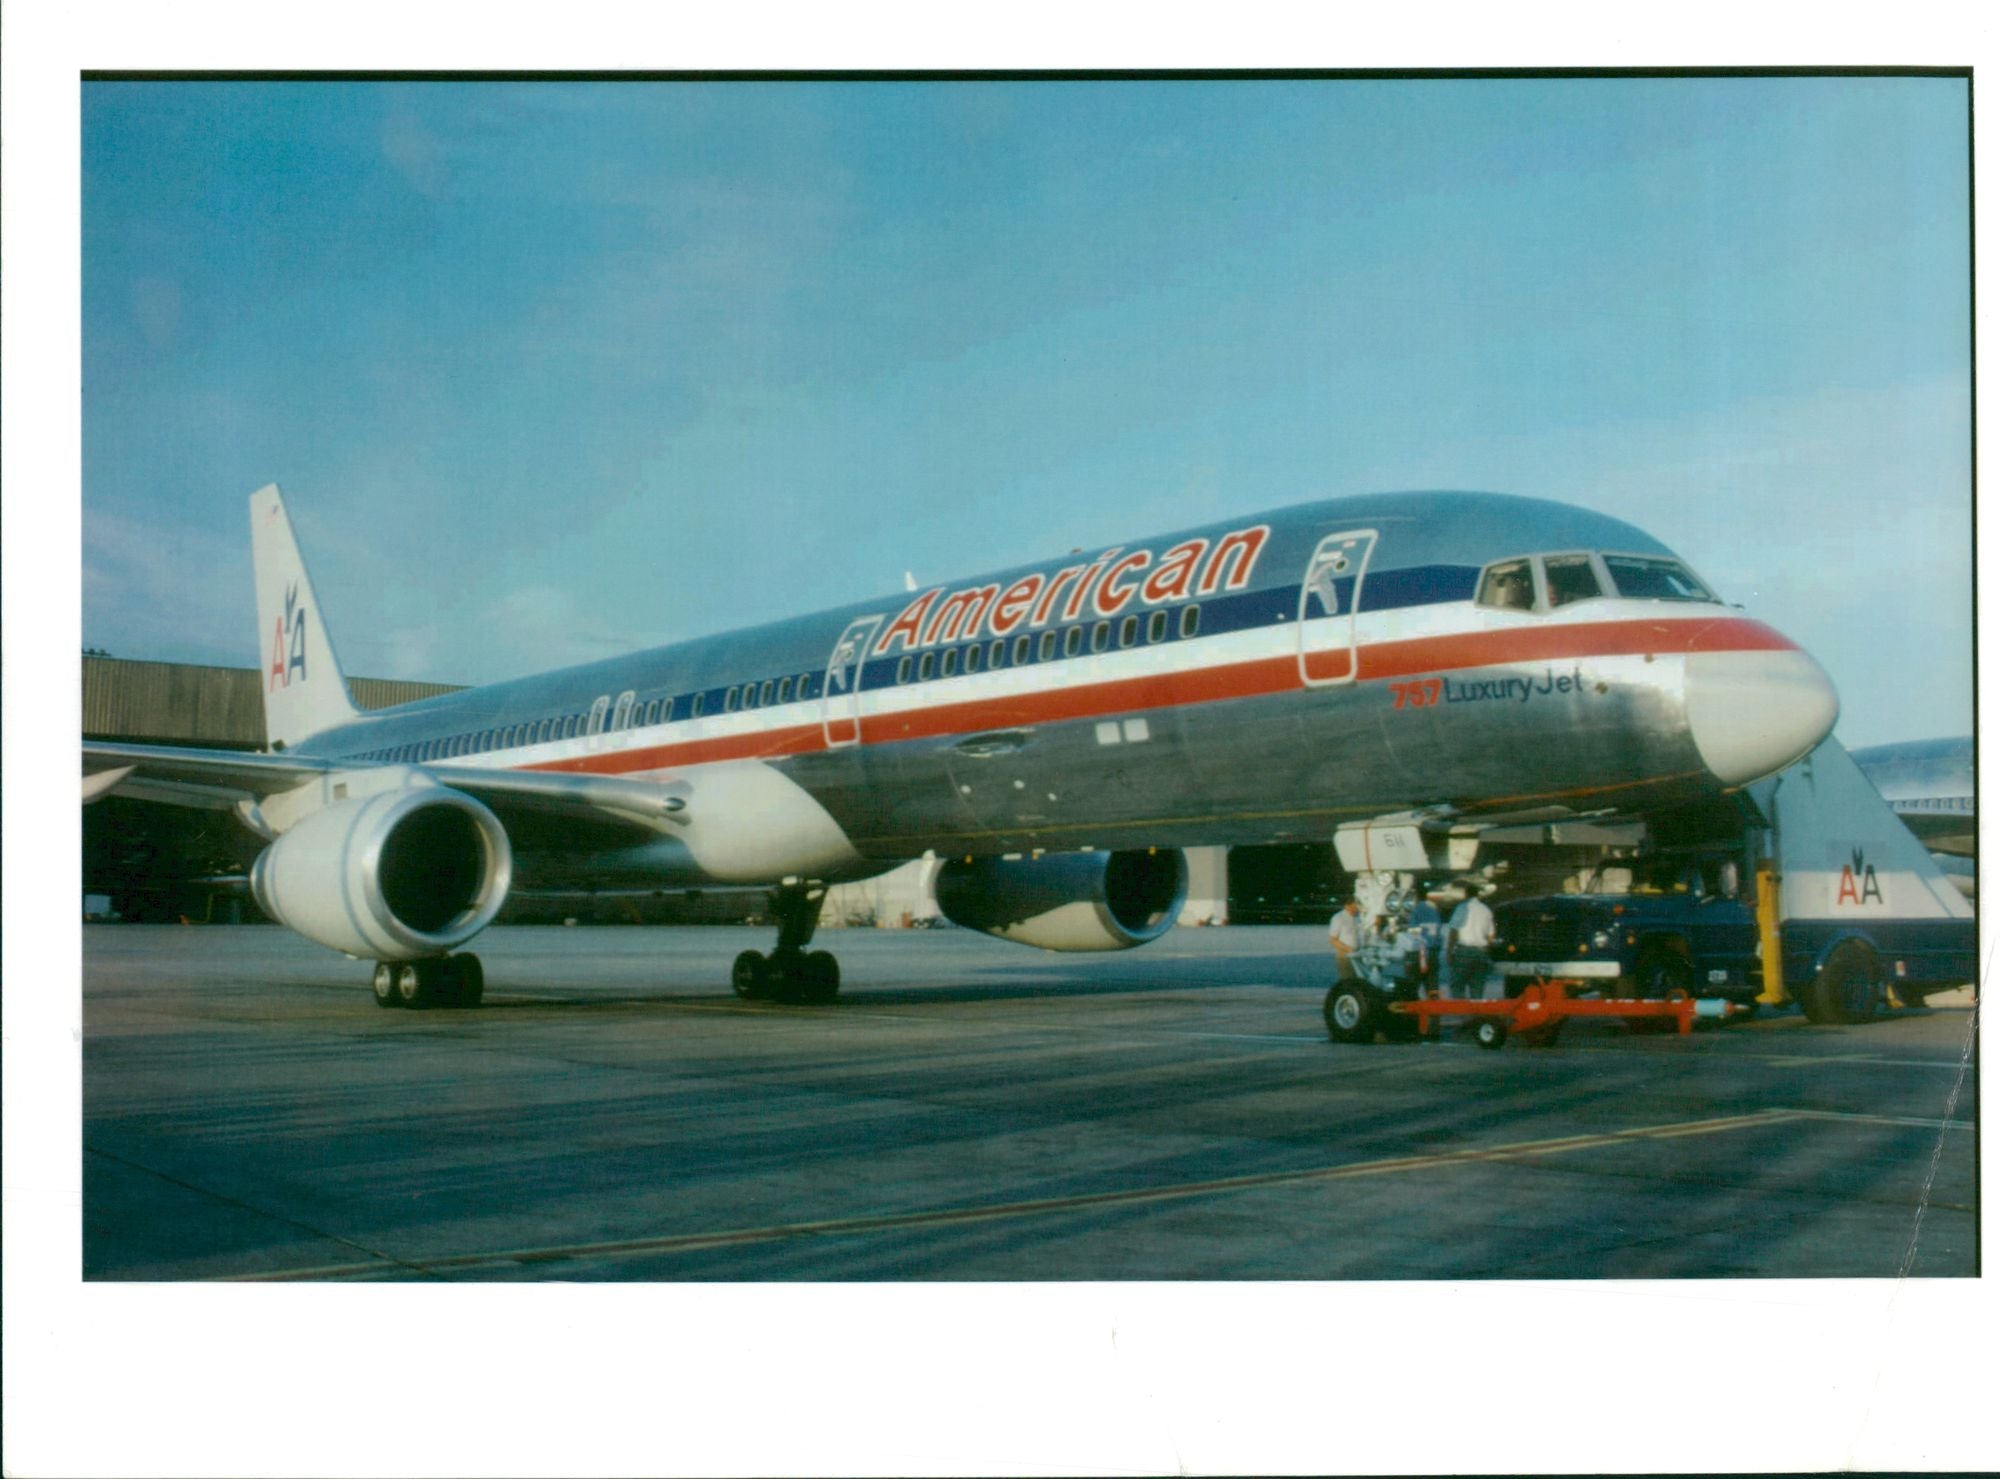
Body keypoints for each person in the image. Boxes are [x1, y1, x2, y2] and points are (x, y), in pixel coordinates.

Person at [1446, 889, 1497, 999]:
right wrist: (1486, 949)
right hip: (1481, 952)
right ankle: (1476, 1014)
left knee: (1457, 986)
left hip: (1463, 952)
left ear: (1466, 895)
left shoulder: (1462, 908)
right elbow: (1491, 935)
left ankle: (1462, 1014)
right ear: (1478, 895)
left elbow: (1453, 931)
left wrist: (1449, 951)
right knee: (1477, 988)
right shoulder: (1486, 910)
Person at [1408, 884, 1444, 995]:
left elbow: (1413, 932)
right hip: (1433, 951)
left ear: (1416, 896)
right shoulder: (1434, 910)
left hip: (1420, 952)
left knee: (1414, 984)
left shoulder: (1416, 910)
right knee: (1432, 983)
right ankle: (1434, 1009)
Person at [1328, 897, 1364, 982]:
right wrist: (1348, 949)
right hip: (1345, 956)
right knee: (1348, 981)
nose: (1357, 908)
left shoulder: (1360, 918)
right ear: (1347, 906)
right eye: (1355, 906)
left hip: (1360, 955)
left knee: (1360, 981)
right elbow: (1332, 939)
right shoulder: (1338, 918)